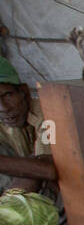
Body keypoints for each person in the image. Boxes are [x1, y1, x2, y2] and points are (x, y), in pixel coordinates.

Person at [0, 57, 59, 204]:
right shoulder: (6, 120)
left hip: (69, 199)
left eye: (8, 95)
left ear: (24, 92)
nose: (3, 108)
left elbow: (48, 170)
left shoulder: (47, 114)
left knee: (35, 166)